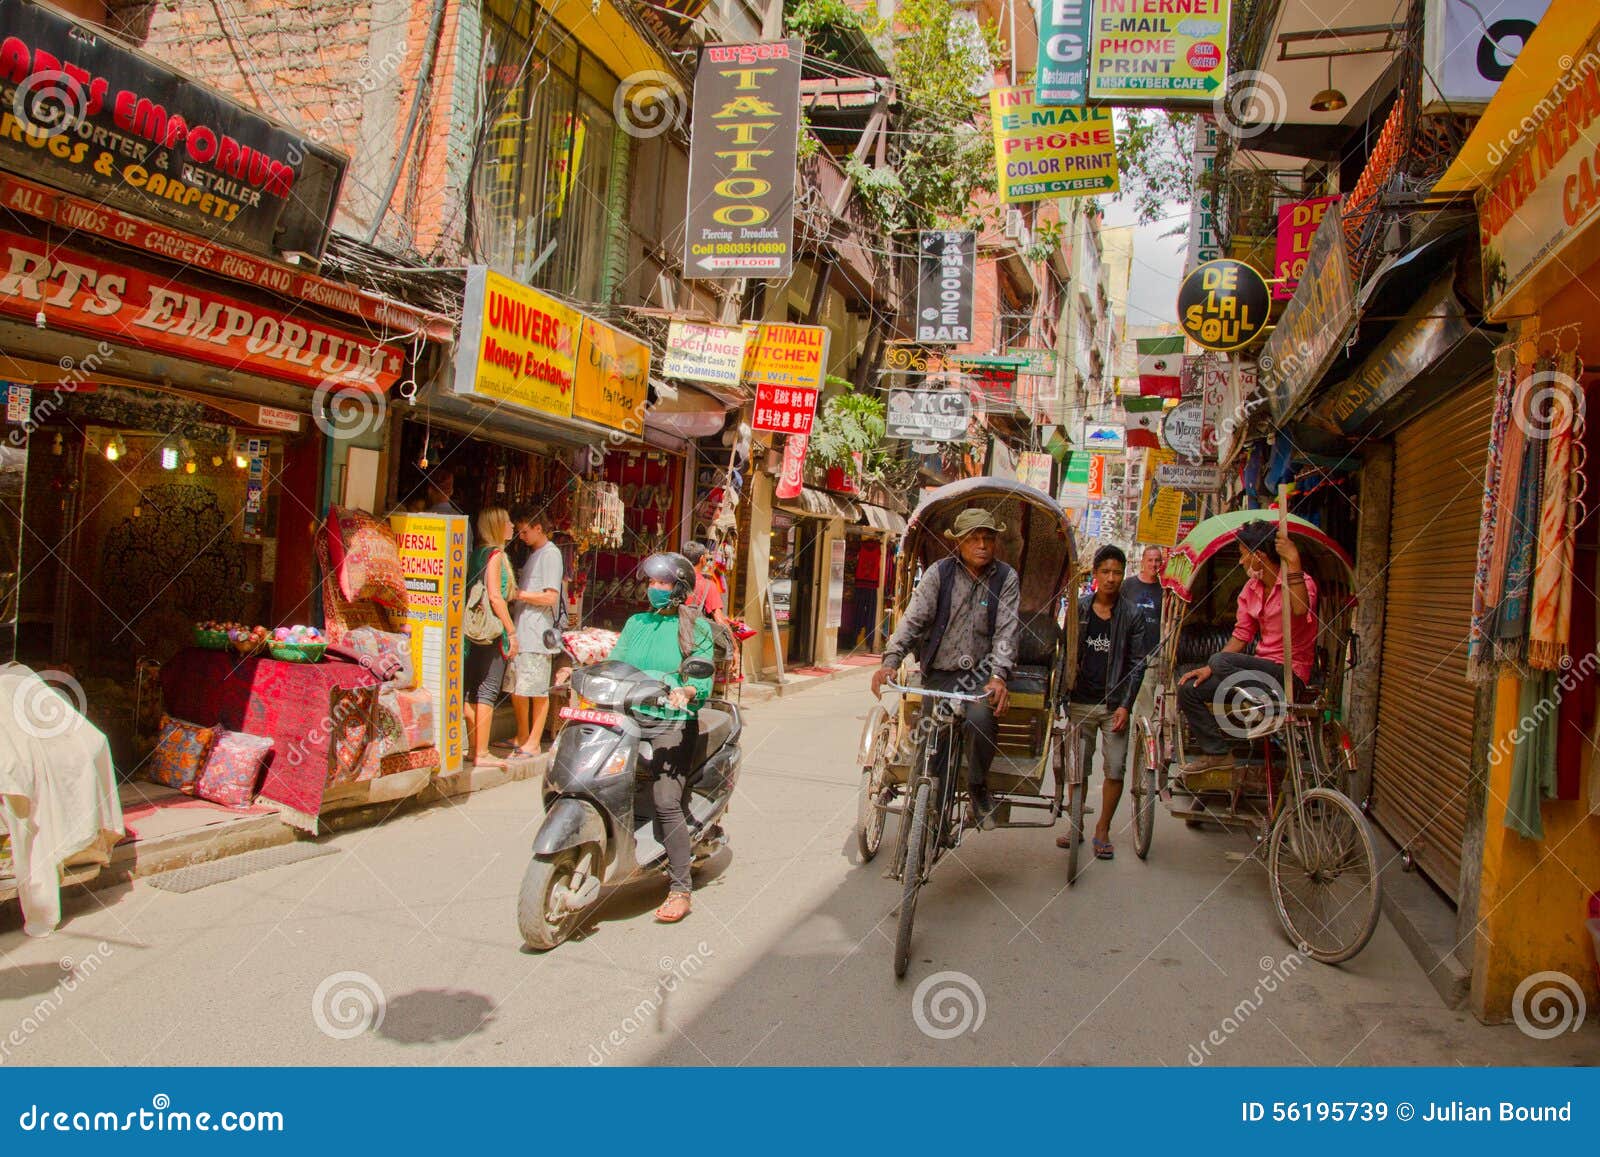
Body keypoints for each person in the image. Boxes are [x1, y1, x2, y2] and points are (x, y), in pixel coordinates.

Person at [871, 508, 1020, 830]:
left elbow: (1007, 632)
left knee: (982, 722)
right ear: (959, 544)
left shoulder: (1005, 578)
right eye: (974, 538)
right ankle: (925, 825)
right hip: (940, 673)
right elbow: (913, 620)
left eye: (988, 538)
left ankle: (978, 787)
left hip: (981, 677)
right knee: (930, 748)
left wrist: (998, 677)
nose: (982, 544)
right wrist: (890, 661)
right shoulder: (940, 573)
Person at [607, 553, 715, 924]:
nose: (653, 589)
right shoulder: (636, 622)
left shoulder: (695, 628)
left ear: (680, 588)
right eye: (650, 583)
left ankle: (680, 888)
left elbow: (701, 679)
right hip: (629, 716)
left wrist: (685, 691)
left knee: (665, 800)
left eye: (662, 584)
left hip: (672, 722)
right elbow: (615, 662)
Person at [1177, 520, 1318, 775]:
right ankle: (1218, 753)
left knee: (1221, 661)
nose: (1241, 562)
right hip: (1259, 676)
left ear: (1259, 557)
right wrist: (1208, 669)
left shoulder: (1300, 582)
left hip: (1288, 675)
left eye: (1243, 556)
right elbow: (1241, 635)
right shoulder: (1251, 589)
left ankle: (1267, 707)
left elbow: (1299, 609)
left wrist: (1294, 561)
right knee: (1190, 689)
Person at [1056, 545, 1148, 860]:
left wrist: (1125, 704)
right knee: (1077, 769)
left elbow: (1138, 664)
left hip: (1114, 706)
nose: (1111, 578)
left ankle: (1102, 829)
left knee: (1116, 768)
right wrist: (1060, 695)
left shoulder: (1132, 615)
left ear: (1123, 576)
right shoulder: (1078, 610)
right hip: (1080, 702)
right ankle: (1076, 825)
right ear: (1094, 575)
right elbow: (1065, 655)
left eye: (1117, 572)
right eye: (1105, 572)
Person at [463, 507, 518, 767]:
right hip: (491, 630)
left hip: (474, 630)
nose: (512, 526)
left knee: (472, 691)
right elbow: (495, 596)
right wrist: (511, 630)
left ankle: (474, 748)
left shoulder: (478, 554)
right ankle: (482, 753)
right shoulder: (495, 555)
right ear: (497, 526)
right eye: (508, 522)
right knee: (486, 691)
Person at [508, 508, 563, 758]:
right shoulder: (535, 554)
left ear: (539, 528)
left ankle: (533, 740)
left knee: (538, 689)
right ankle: (522, 734)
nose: (521, 536)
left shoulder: (551, 555)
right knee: (519, 687)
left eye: (525, 531)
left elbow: (551, 596)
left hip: (537, 631)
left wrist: (519, 594)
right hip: (523, 629)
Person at [1119, 545, 1165, 780]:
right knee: (1124, 698)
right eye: (1150, 560)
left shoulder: (1164, 590)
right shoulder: (1128, 586)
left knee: (1144, 700)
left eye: (1158, 561)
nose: (1154, 565)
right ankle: (1121, 736)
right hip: (1127, 652)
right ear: (1142, 561)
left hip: (1151, 653)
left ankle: (1138, 744)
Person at [683, 541, 738, 679]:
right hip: (697, 647)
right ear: (702, 559)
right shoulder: (707, 585)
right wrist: (735, 649)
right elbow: (719, 620)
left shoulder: (673, 581)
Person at [850, 536, 886, 649]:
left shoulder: (862, 546)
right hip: (872, 584)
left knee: (858, 611)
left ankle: (854, 638)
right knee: (871, 614)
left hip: (860, 582)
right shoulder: (878, 547)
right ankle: (870, 642)